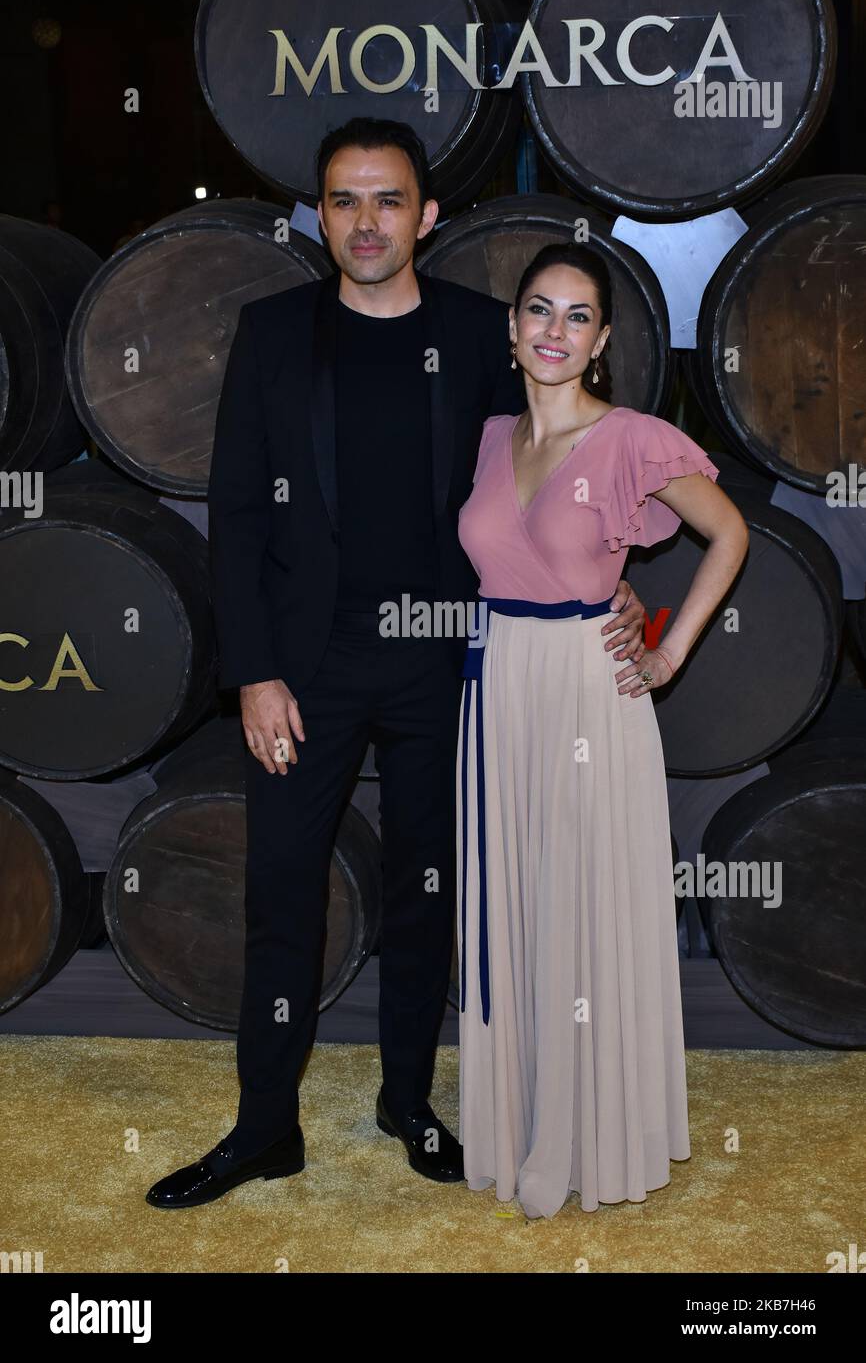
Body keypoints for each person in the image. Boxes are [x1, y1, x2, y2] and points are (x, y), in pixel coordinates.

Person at [146, 120, 647, 1210]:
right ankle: (264, 1128)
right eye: (342, 200)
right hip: (304, 669)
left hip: (446, 665)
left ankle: (407, 1101)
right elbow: (235, 513)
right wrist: (256, 673)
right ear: (317, 215)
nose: (364, 221)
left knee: (429, 898)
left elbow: (556, 467)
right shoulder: (271, 331)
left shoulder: (480, 334)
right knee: (281, 895)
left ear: (425, 216)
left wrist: (611, 572)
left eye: (386, 201)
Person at [456, 242, 750, 1217]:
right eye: (537, 310)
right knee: (520, 899)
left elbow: (728, 533)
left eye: (576, 315)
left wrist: (666, 654)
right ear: (510, 328)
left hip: (587, 689)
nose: (553, 330)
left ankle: (592, 1135)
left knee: (580, 903)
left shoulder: (629, 437)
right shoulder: (493, 435)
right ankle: (520, 1119)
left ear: (602, 340)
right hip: (496, 682)